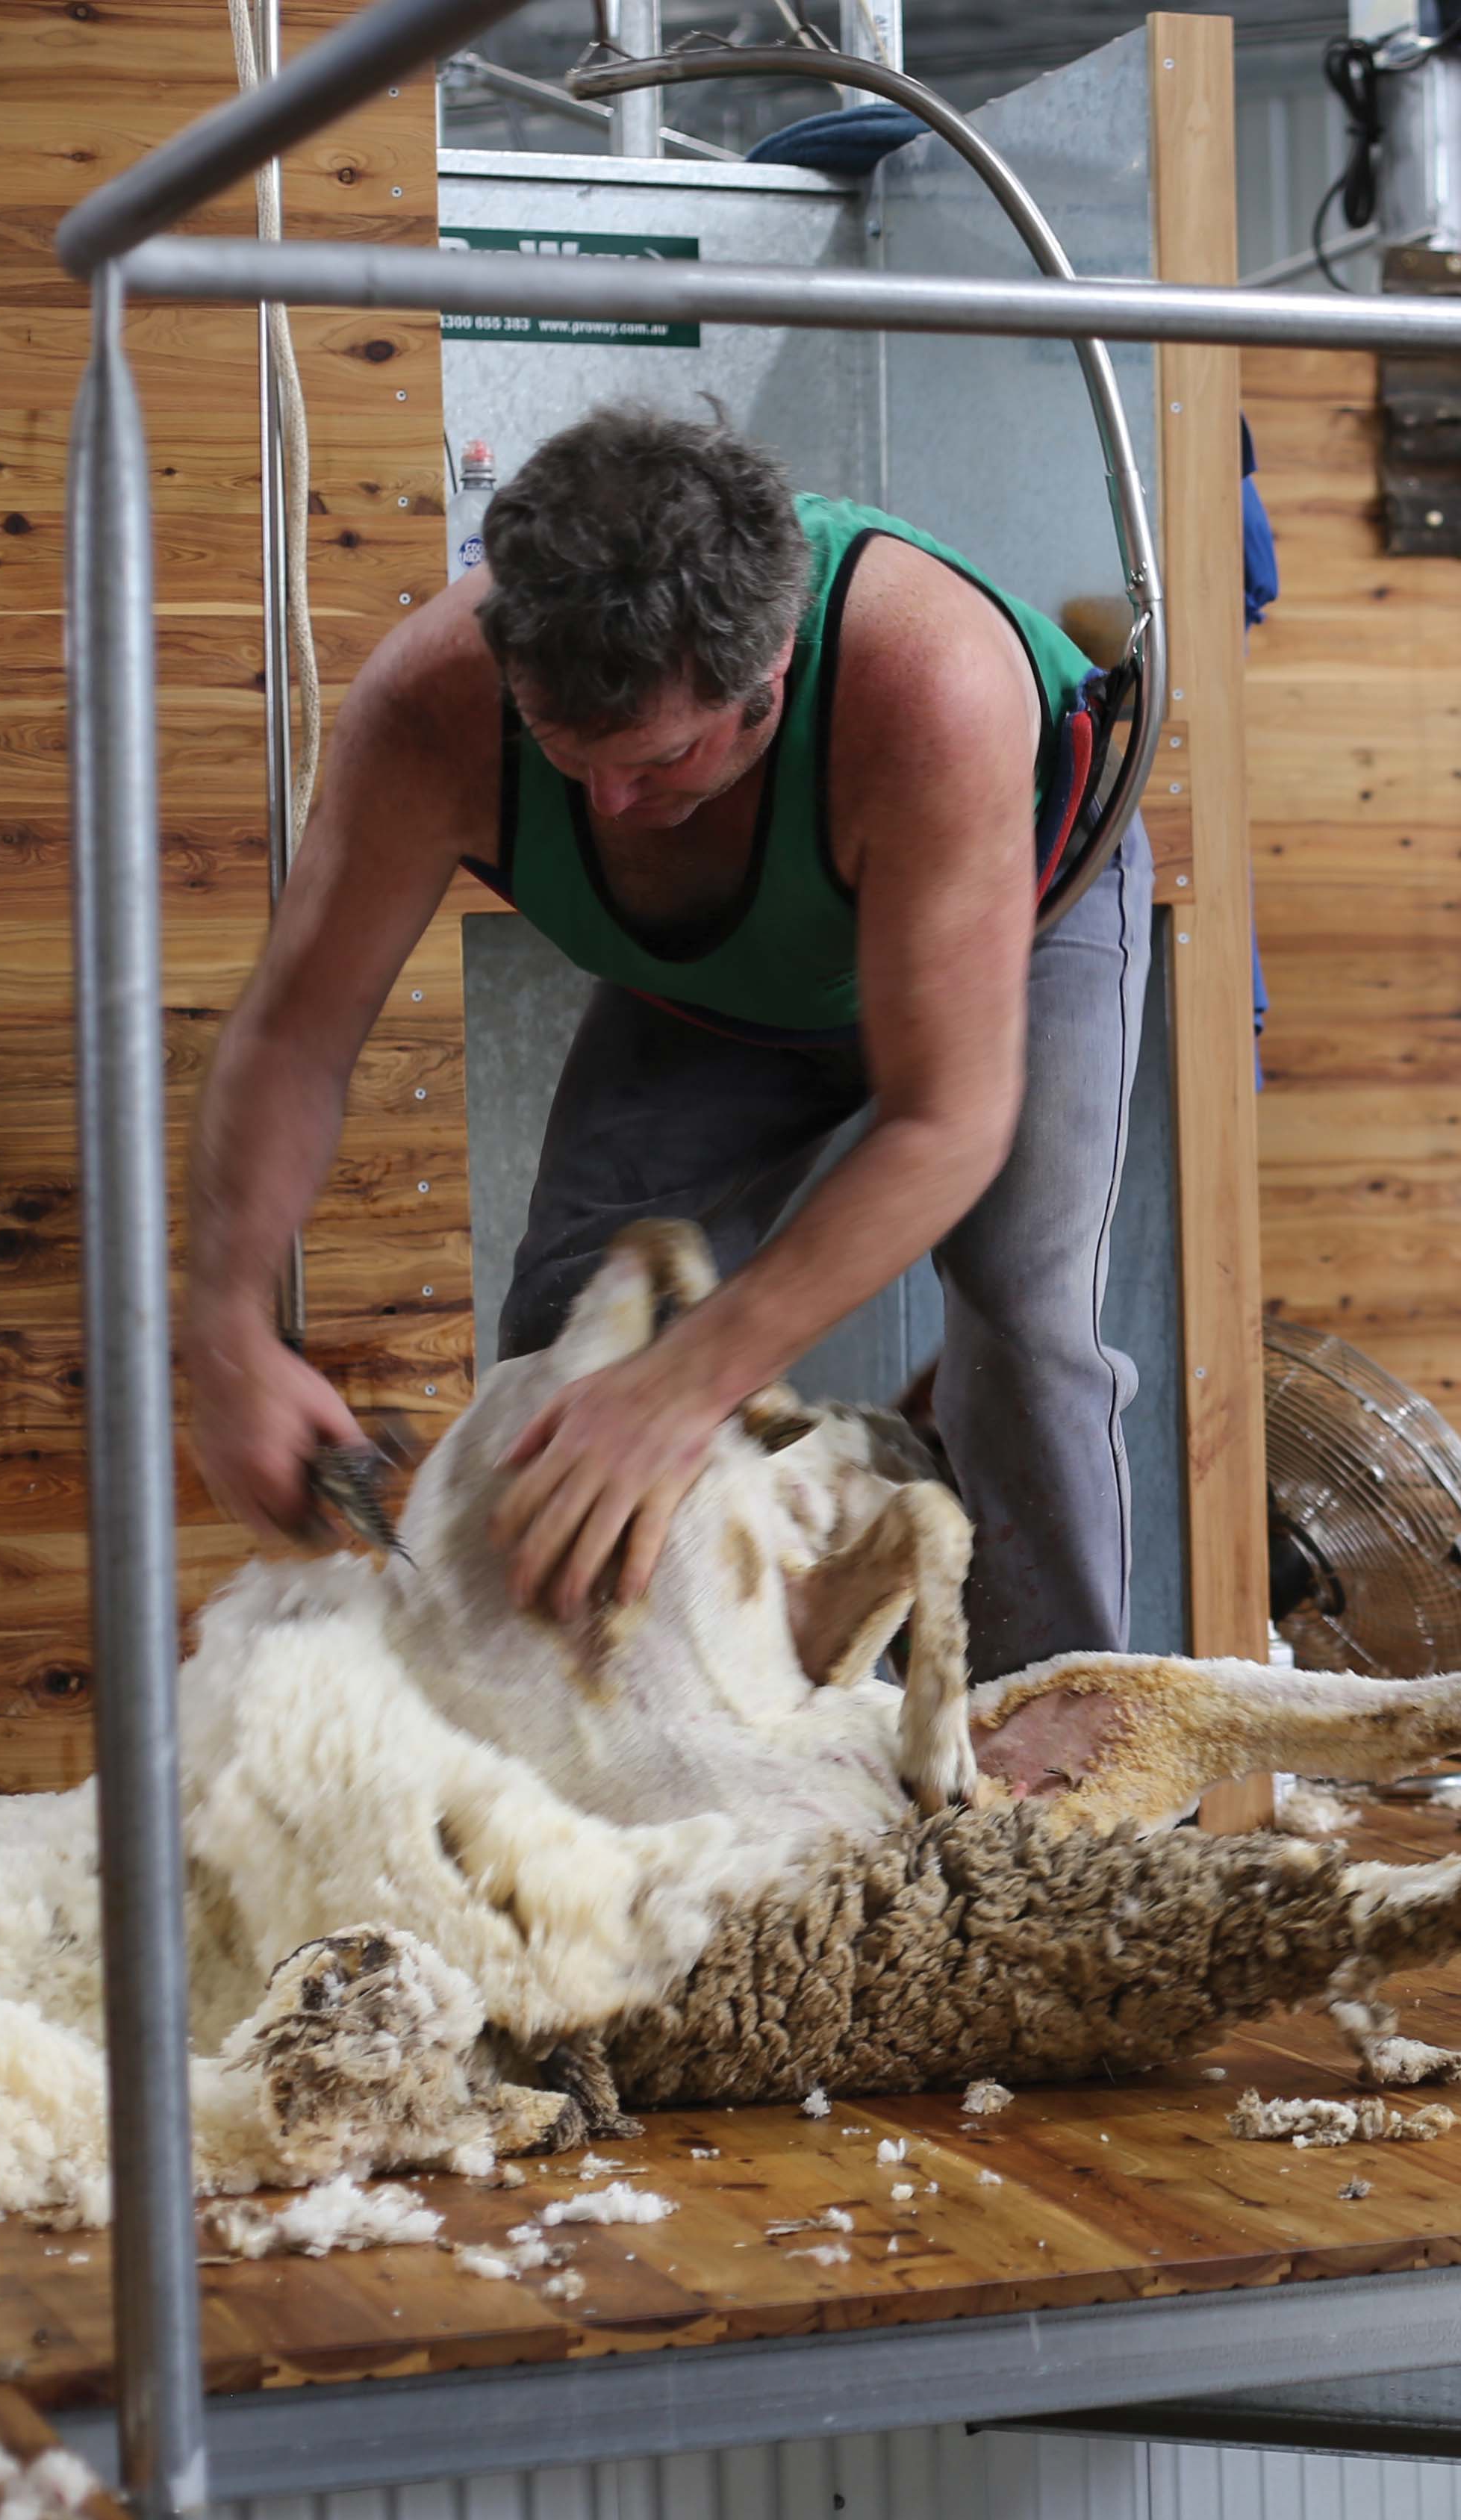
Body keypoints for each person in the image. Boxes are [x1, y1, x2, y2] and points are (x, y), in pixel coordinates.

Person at [181, 406, 1153, 1678]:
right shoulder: (433, 704)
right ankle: (615, 1757)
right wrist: (227, 1324)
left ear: (769, 680)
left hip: (1017, 916)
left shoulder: (928, 685)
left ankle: (1063, 1766)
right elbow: (294, 1037)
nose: (610, 808)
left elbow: (943, 1122)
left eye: (658, 760)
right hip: (720, 982)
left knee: (1027, 1328)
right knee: (573, 1323)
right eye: (563, 755)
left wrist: (693, 1381)